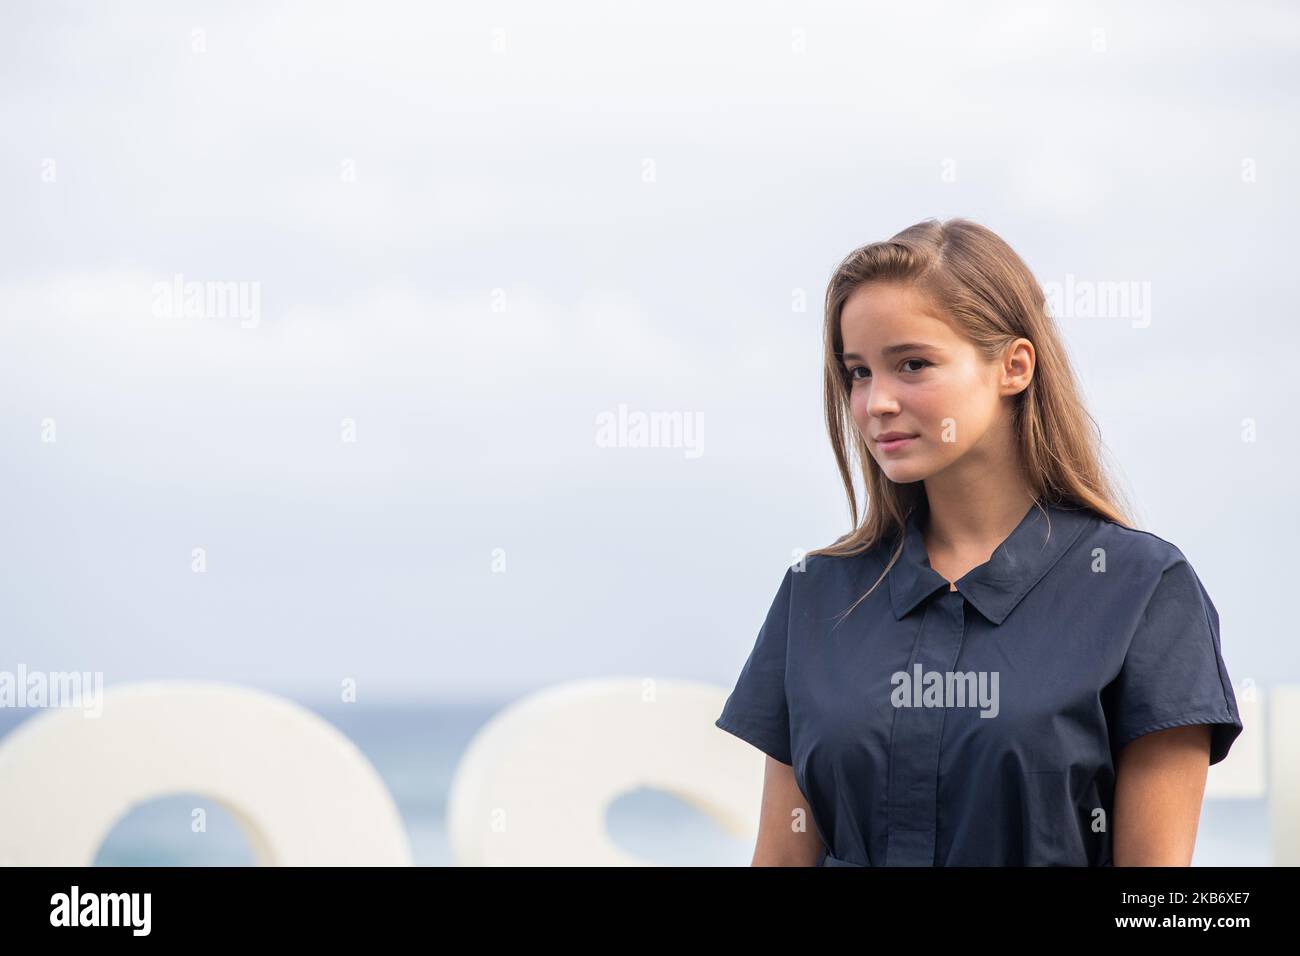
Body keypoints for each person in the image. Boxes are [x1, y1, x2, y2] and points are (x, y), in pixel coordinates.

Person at [715, 218, 1244, 866]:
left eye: (912, 364)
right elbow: (782, 858)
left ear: (1014, 367)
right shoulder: (816, 594)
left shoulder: (1142, 592)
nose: (875, 402)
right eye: (857, 372)